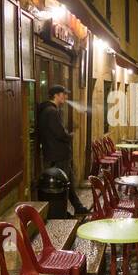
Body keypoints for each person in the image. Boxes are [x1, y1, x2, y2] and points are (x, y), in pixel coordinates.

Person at [37, 85, 88, 215]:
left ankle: (76, 207)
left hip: (54, 153)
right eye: (63, 94)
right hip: (58, 154)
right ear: (56, 95)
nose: (65, 97)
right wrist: (69, 136)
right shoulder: (52, 111)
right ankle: (63, 211)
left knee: (66, 182)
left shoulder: (47, 110)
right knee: (64, 184)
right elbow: (59, 133)